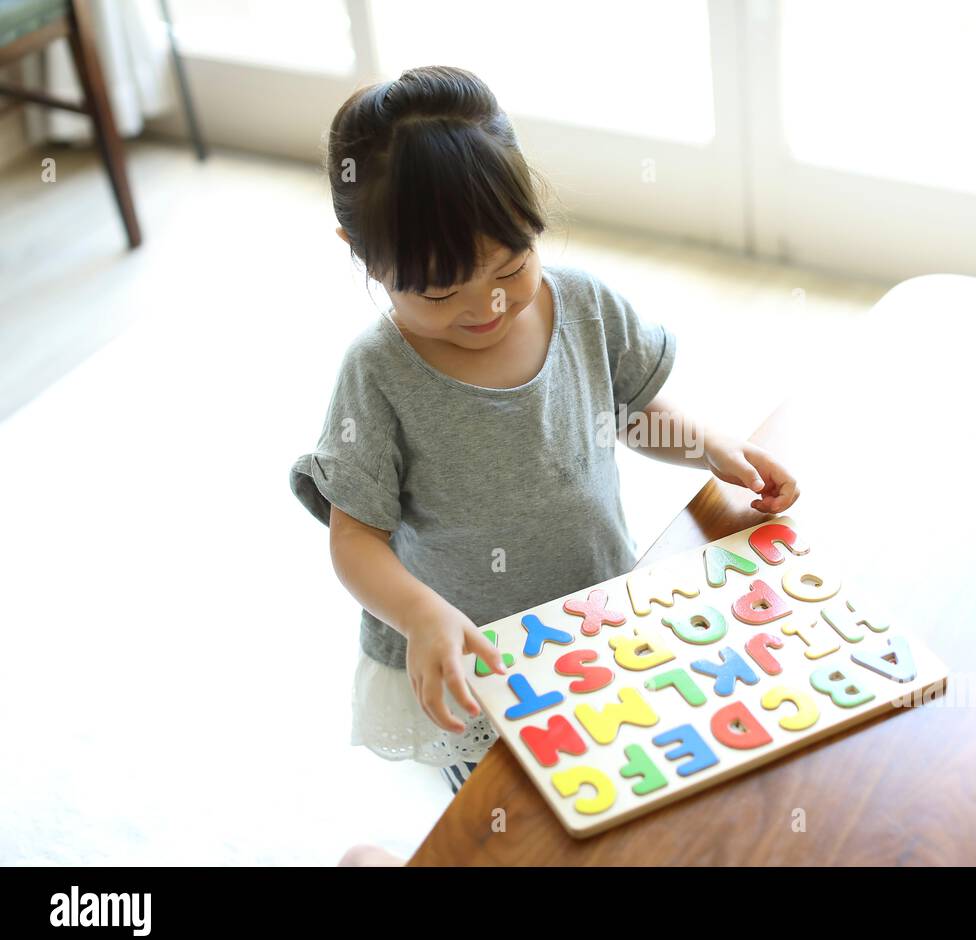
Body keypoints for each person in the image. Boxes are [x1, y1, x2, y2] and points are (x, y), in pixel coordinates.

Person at [290, 65, 799, 866]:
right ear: (362, 254)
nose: (487, 308)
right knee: (518, 830)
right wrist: (422, 618)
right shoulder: (378, 375)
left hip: (596, 624)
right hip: (483, 667)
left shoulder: (583, 305)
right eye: (442, 292)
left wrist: (708, 445)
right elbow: (353, 538)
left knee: (618, 792)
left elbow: (633, 410)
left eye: (509, 269)